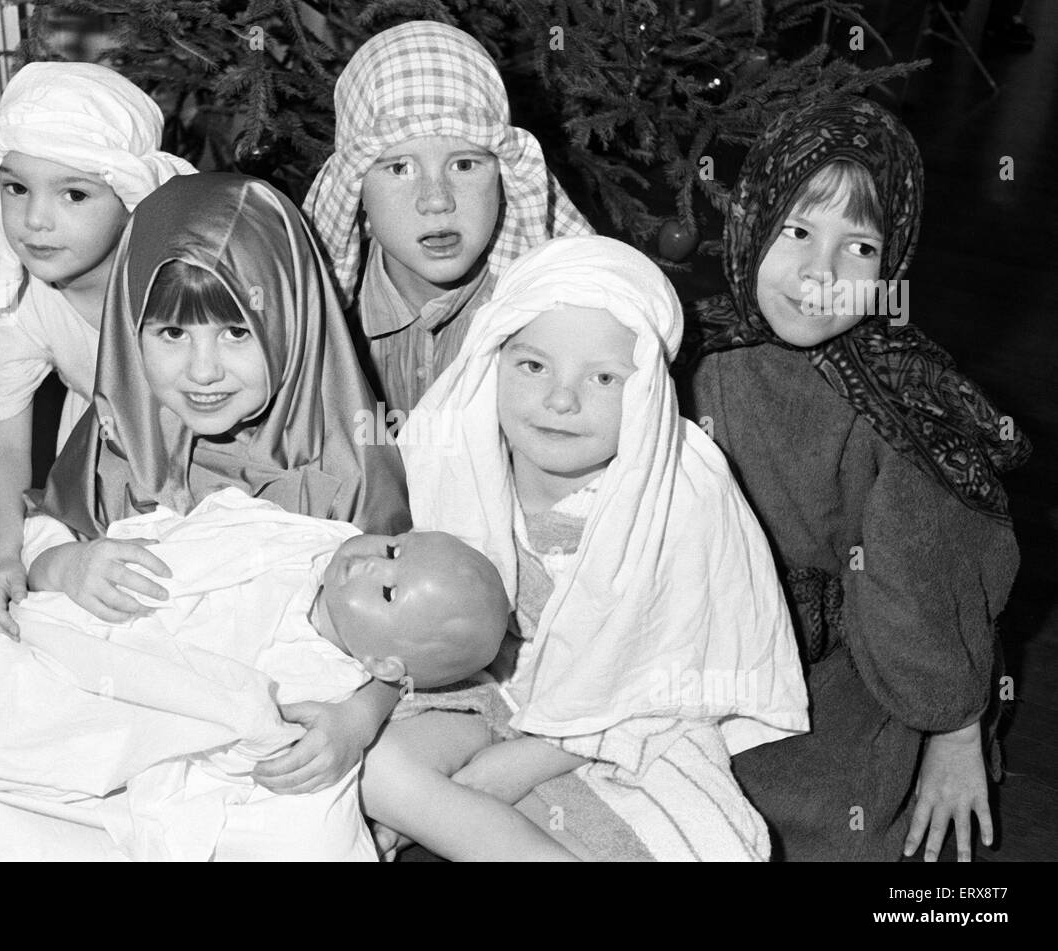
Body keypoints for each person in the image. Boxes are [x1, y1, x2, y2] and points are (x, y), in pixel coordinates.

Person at [359, 236, 810, 862]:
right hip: (479, 683)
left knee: (689, 843)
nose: (561, 400)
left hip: (616, 721)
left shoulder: (679, 493)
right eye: (533, 366)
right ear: (491, 361)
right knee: (374, 769)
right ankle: (453, 816)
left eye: (603, 377)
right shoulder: (456, 458)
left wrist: (501, 770)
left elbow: (670, 680)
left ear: (648, 390)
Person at [677, 95, 1030, 861]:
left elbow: (922, 588)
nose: (821, 273)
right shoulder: (684, 352)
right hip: (691, 641)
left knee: (813, 823)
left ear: (893, 260)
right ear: (750, 223)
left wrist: (953, 724)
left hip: (844, 668)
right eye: (797, 231)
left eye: (860, 248)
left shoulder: (901, 409)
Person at [31, 171, 412, 798]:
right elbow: (46, 551)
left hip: (267, 730)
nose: (202, 371)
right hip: (128, 701)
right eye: (172, 334)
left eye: (238, 333)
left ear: (293, 319)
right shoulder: (119, 433)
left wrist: (357, 720)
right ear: (131, 333)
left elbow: (409, 628)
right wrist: (67, 566)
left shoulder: (353, 462)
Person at [0, 489, 508, 861]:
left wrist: (355, 715)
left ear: (385, 663)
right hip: (101, 643)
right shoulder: (302, 540)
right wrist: (67, 567)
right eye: (392, 550)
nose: (370, 565)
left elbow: (263, 752)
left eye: (389, 593)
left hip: (147, 723)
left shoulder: (330, 677)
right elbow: (184, 539)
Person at [0, 62, 195, 638]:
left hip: (210, 449)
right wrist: (7, 559)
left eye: (75, 194)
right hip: (104, 453)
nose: (35, 220)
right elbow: (5, 437)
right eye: (16, 188)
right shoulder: (16, 303)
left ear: (133, 200)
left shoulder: (180, 285)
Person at [303, 20, 593, 415]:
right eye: (400, 168)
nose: (437, 201)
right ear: (356, 188)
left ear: (504, 176)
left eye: (464, 164)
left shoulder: (543, 322)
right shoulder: (324, 325)